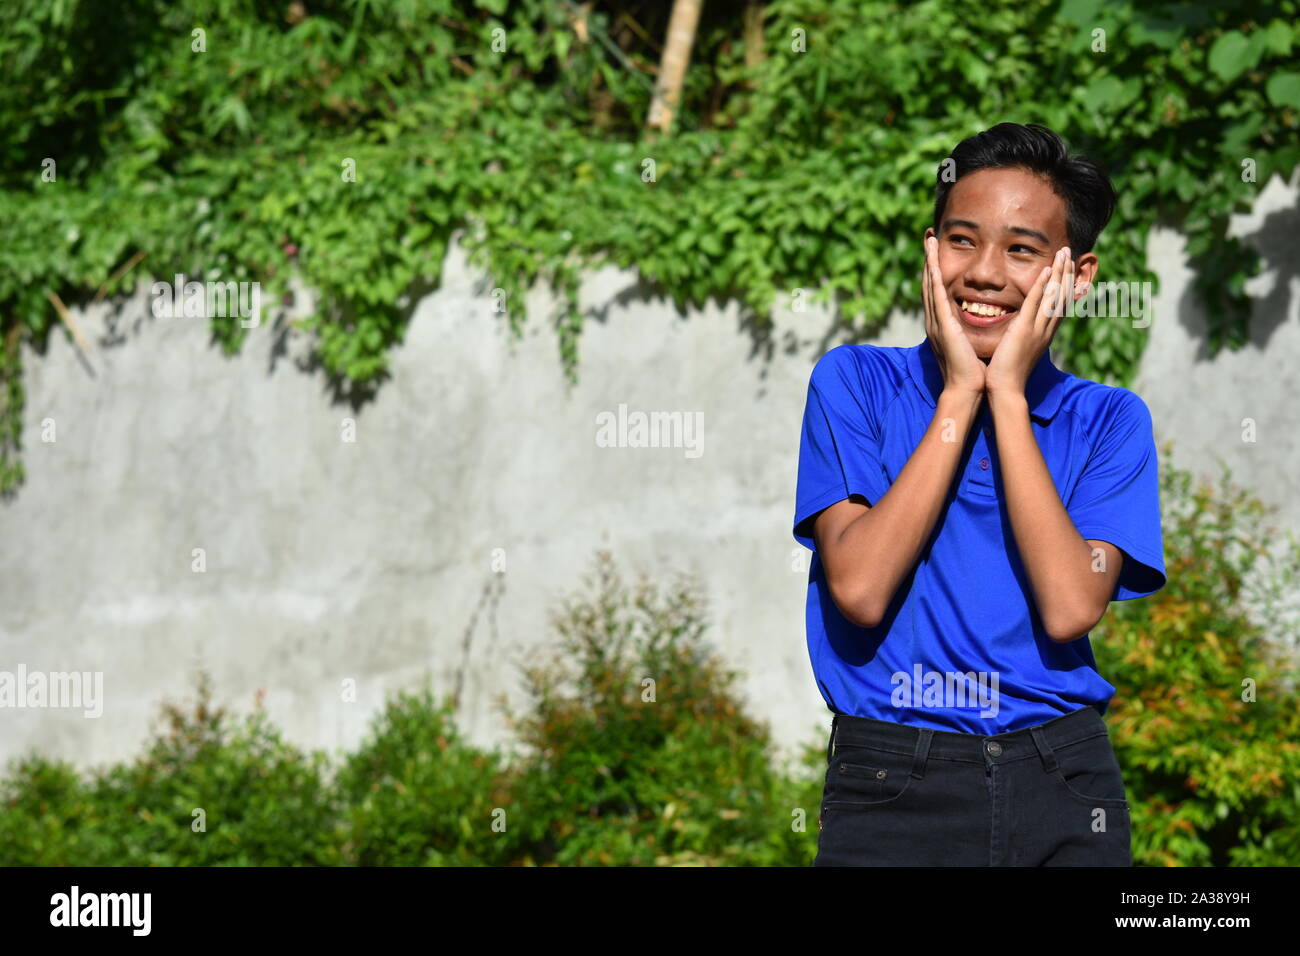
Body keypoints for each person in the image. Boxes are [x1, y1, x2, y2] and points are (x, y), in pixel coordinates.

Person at [792, 122, 1167, 866]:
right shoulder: (856, 385)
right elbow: (861, 588)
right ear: (930, 250)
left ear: (1077, 276)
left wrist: (1009, 399)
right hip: (890, 779)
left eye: (1022, 250)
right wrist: (962, 391)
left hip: (1062, 777)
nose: (985, 273)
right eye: (961, 240)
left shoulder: (1109, 422)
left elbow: (1070, 605)